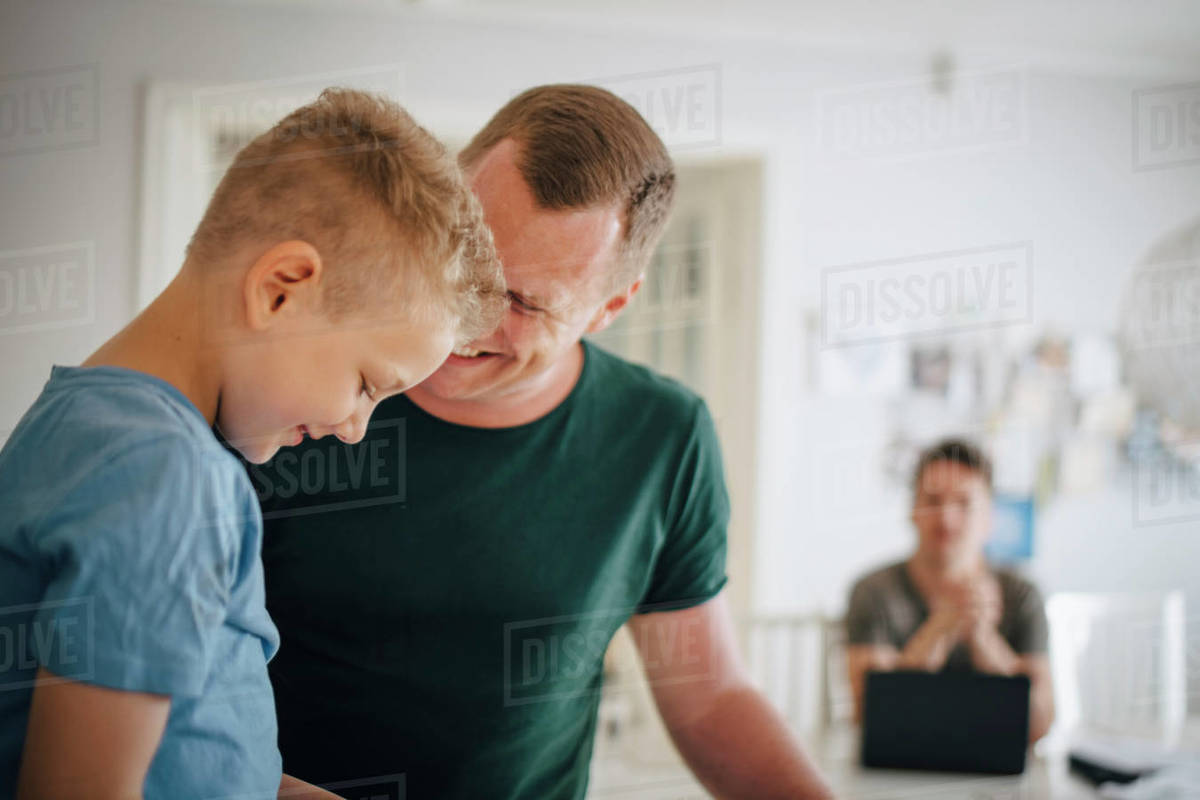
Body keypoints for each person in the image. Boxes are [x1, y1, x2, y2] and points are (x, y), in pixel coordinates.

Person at [249, 85, 834, 799]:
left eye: (525, 303)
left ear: (611, 307)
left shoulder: (662, 436)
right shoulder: (294, 380)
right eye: (467, 259)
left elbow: (708, 697)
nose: (468, 318)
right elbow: (177, 693)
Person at [0, 89, 505, 800]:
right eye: (367, 384)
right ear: (280, 290)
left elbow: (191, 763)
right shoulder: (169, 477)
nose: (356, 428)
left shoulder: (82, 422)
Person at [844, 437, 1056, 743]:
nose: (946, 518)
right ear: (912, 510)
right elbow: (867, 714)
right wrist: (940, 628)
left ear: (989, 518)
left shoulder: (1023, 595)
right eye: (932, 500)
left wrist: (984, 641)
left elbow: (1040, 725)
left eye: (963, 503)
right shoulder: (873, 592)